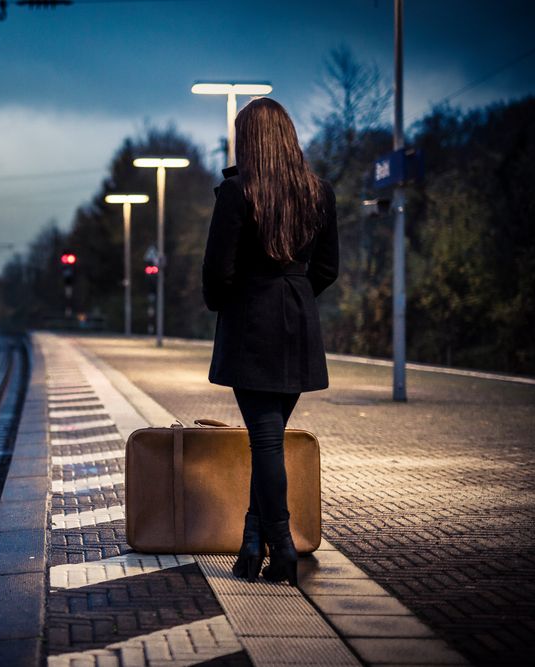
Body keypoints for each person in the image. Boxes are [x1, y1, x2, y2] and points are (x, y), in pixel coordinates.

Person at [201, 97, 339, 586]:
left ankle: (281, 548)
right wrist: (295, 294)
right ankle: (250, 543)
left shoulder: (238, 193)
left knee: (265, 441)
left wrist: (230, 303)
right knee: (269, 439)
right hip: (299, 327)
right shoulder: (319, 192)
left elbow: (218, 271)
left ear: (249, 141)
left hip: (251, 327)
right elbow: (327, 269)